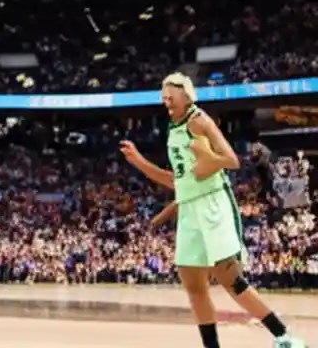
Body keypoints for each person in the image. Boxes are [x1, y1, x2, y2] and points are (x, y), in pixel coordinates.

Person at [120, 73, 307, 348]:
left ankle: (284, 336)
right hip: (189, 207)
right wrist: (139, 162)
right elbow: (177, 181)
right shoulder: (174, 129)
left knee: (230, 278)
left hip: (212, 203)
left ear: (187, 95)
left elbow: (231, 160)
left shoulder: (199, 121)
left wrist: (209, 161)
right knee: (193, 283)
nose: (166, 101)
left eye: (171, 95)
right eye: (164, 97)